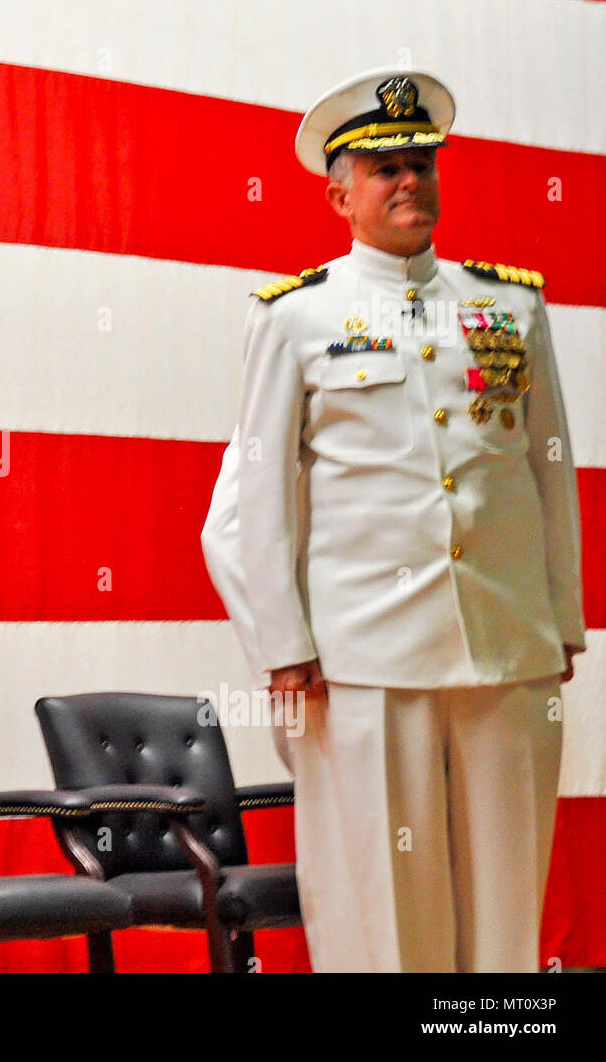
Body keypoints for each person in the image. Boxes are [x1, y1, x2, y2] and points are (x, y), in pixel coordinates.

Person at [201, 68, 584, 972]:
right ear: (340, 194)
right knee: (386, 912)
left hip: (504, 646)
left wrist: (559, 617)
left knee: (504, 907)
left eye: (421, 160)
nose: (409, 178)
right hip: (362, 659)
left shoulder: (510, 307)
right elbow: (255, 499)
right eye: (384, 168)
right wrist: (282, 644)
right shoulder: (296, 318)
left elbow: (546, 471)